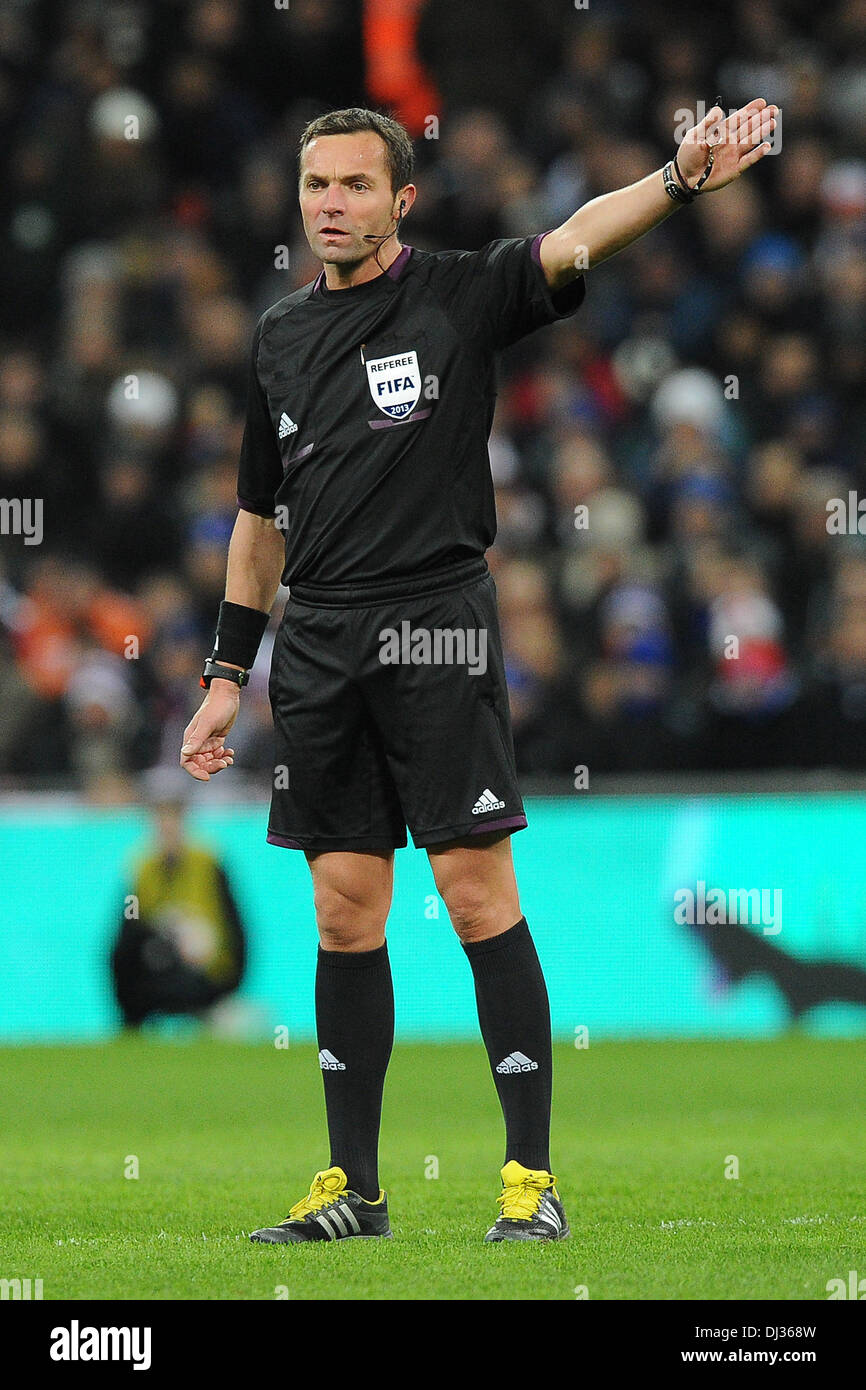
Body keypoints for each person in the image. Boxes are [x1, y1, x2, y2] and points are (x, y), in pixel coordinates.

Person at [180, 101, 777, 1244]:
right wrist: (224, 674)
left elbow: (575, 239)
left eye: (355, 186)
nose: (330, 205)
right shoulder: (277, 339)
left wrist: (677, 178)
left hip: (435, 629)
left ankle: (527, 1180)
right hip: (317, 645)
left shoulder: (455, 295)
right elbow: (259, 520)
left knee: (471, 895)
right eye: (315, 186)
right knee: (344, 914)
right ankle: (354, 1189)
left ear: (400, 199)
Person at [111, 771, 246, 1029]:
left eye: (172, 815)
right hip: (162, 968)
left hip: (206, 973)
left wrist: (230, 984)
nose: (167, 824)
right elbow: (124, 940)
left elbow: (236, 931)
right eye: (160, 815)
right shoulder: (142, 868)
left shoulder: (208, 863)